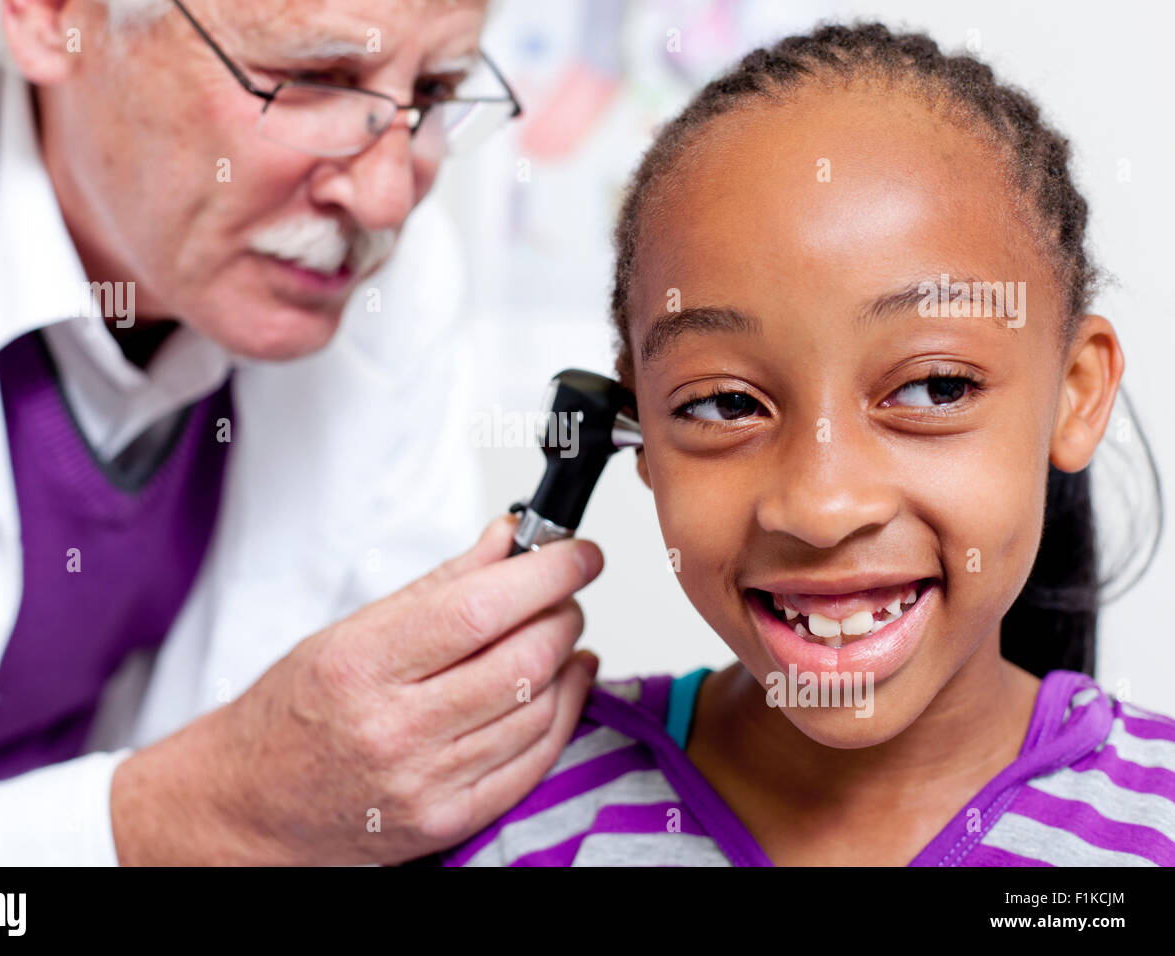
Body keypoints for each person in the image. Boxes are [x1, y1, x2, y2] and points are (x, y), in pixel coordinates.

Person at [0, 0, 605, 865]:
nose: (385, 198)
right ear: (51, 20)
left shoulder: (393, 288)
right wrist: (186, 816)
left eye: (438, 91)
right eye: (314, 81)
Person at [439, 22, 1174, 866]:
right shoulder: (507, 811)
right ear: (638, 424)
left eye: (935, 388)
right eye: (722, 404)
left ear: (1075, 395)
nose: (821, 507)